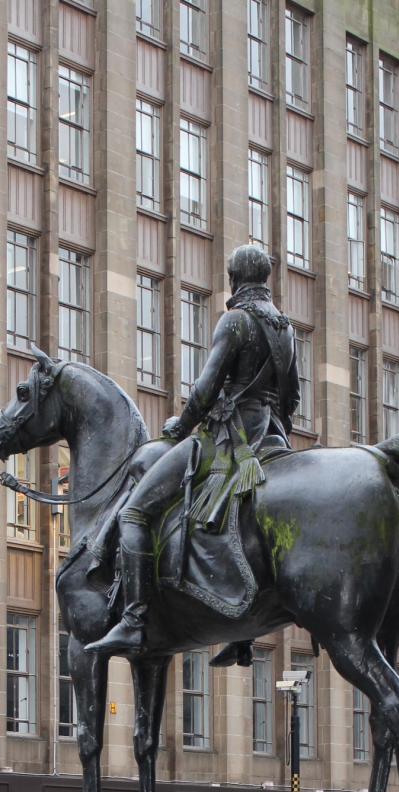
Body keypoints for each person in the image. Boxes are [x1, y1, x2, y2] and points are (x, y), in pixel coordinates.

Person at [86, 243, 300, 658]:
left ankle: (133, 620)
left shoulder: (236, 320)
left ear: (235, 279)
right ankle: (242, 635)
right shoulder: (285, 328)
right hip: (272, 433)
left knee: (135, 511)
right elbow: (292, 397)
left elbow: (206, 387)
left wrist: (181, 425)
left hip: (230, 437)